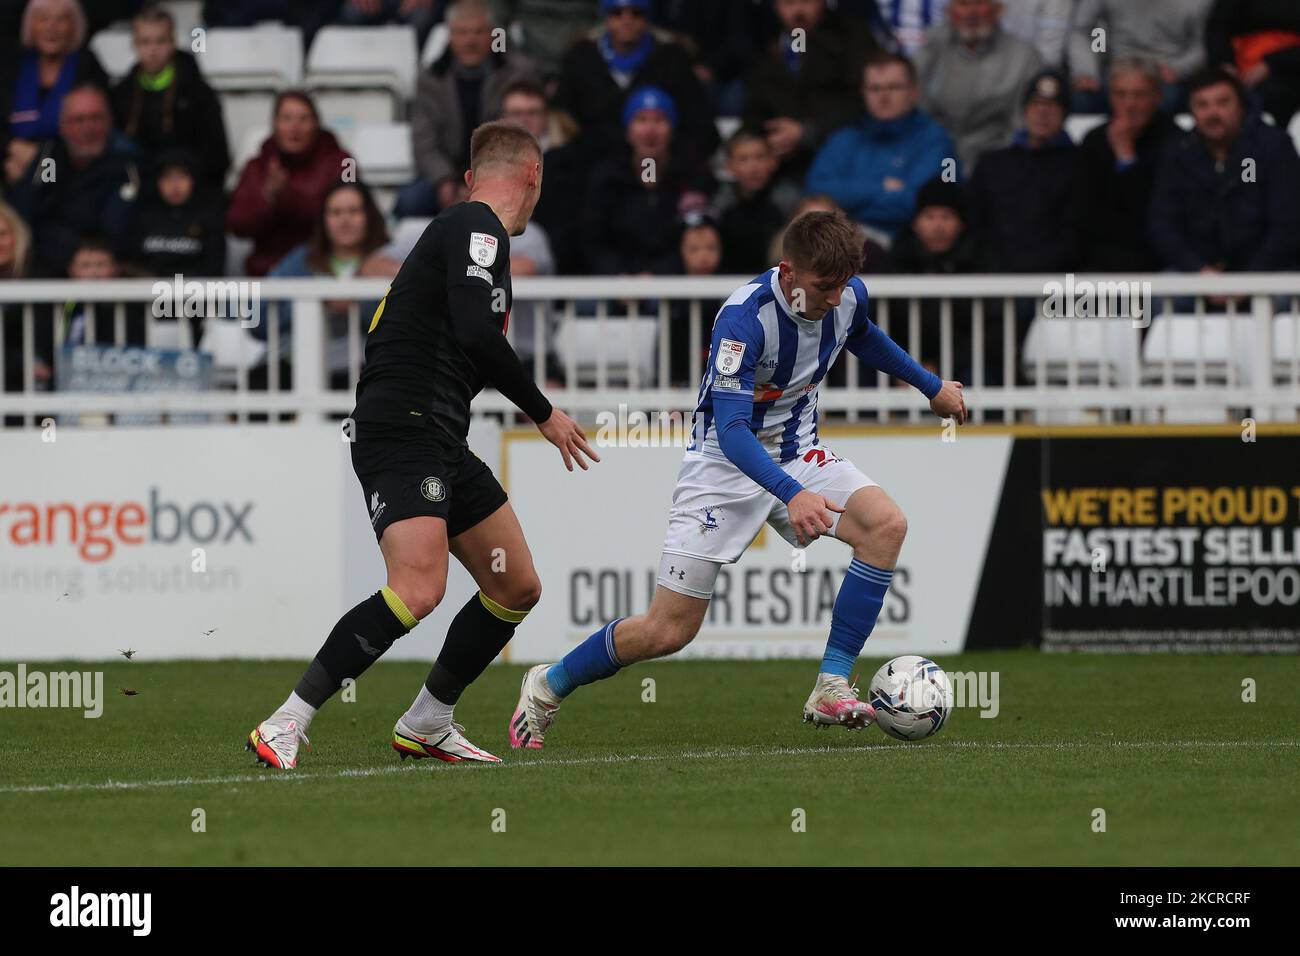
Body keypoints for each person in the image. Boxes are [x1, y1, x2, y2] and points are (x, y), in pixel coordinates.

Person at [507, 209, 967, 750]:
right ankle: (546, 685)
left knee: (886, 525)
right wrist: (792, 495)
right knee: (667, 631)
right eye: (823, 287)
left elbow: (860, 333)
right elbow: (730, 429)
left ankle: (831, 683)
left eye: (843, 286)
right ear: (788, 272)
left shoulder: (846, 296)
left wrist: (929, 385)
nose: (836, 298)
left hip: (798, 451)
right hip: (723, 467)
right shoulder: (742, 320)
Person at [246, 120, 598, 770]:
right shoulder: (477, 225)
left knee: (515, 584)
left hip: (436, 431)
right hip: (404, 425)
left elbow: (463, 338)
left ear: (469, 174)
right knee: (417, 589)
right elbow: (475, 332)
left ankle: (428, 721)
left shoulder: (467, 231)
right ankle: (286, 721)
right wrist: (545, 412)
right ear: (533, 176)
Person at [1149, 66, 1300, 275]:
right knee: (1160, 294)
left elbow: (1287, 226)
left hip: (1266, 272)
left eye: (1222, 103)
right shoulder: (1177, 152)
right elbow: (1162, 225)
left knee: (1287, 292)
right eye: (1202, 105)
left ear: (1241, 106)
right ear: (1191, 111)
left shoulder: (1274, 147)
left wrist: (1249, 278)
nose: (1212, 113)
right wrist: (1199, 269)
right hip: (1199, 273)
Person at [399, 0, 538, 217]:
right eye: (462, 32)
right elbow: (424, 143)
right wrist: (445, 181)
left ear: (492, 35)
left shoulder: (517, 73)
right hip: (447, 175)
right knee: (410, 201)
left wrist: (485, 181)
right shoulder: (430, 80)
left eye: (478, 32)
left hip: (504, 171)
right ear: (450, 36)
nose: (470, 40)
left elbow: (521, 135)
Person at [805, 52, 956, 243]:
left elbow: (919, 204)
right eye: (874, 89)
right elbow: (815, 192)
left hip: (909, 247)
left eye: (894, 87)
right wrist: (881, 187)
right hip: (842, 244)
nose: (883, 96)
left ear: (914, 92)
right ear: (863, 93)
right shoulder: (846, 138)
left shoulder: (934, 139)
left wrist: (848, 202)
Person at [552, 0, 718, 166]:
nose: (627, 20)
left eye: (636, 13)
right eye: (617, 13)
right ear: (606, 17)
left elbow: (701, 127)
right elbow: (562, 117)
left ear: (647, 18)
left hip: (658, 165)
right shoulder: (580, 57)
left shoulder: (673, 59)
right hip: (594, 164)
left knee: (649, 181)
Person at [5, 83, 141, 276]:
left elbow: (117, 227)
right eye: (78, 120)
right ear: (63, 125)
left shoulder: (127, 164)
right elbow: (29, 204)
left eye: (96, 118)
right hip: (51, 265)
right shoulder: (50, 158)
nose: (88, 128)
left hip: (106, 269)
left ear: (109, 121)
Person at [742, 0, 880, 185]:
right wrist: (765, 141)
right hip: (782, 165)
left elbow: (864, 102)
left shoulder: (852, 36)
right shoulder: (765, 39)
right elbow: (755, 104)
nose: (798, 11)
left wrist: (808, 132)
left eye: (806, 2)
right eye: (788, 4)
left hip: (841, 157)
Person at [580, 85, 713, 276]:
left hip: (675, 285)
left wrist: (657, 275)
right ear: (628, 130)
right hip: (614, 285)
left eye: (659, 120)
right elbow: (593, 239)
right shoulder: (606, 178)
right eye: (641, 120)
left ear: (672, 129)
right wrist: (618, 277)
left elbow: (698, 238)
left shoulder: (694, 176)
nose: (650, 130)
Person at [226, 91, 353, 276]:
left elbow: (347, 215)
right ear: (274, 124)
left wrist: (285, 197)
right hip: (266, 274)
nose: (295, 127)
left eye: (303, 119)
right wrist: (268, 200)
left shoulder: (344, 163)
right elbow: (236, 223)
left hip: (325, 271)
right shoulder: (256, 167)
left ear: (316, 123)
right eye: (286, 118)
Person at [1073, 57, 1178, 273]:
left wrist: (1126, 157)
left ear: (1157, 97)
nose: (1129, 105)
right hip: (1101, 261)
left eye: (1139, 95)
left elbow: (1156, 216)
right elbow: (1085, 214)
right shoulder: (1094, 141)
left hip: (1159, 262)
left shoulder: (1177, 142)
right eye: (1120, 94)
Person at [110, 3, 230, 190]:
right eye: (145, 42)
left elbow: (217, 157)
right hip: (140, 194)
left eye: (160, 41)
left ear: (172, 42)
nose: (153, 50)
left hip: (190, 191)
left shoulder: (199, 93)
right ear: (134, 44)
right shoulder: (121, 95)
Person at [914, 0, 1043, 172]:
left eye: (980, 2)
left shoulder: (1024, 58)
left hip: (998, 162)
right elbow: (918, 113)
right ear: (950, 12)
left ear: (998, 10)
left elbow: (1021, 127)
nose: (972, 12)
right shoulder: (929, 52)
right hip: (937, 158)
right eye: (964, 4)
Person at [1, 0, 106, 159]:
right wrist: (11, 147)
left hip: (66, 161)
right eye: (43, 19)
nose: (51, 28)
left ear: (74, 26)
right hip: (13, 158)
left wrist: (39, 159)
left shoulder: (87, 66)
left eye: (61, 20)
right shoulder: (13, 65)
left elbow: (94, 129)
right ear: (31, 25)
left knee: (46, 177)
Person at [1068, 0, 1213, 115]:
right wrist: (1086, 71)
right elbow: (1081, 30)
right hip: (1117, 69)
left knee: (1165, 100)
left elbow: (1205, 45)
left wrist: (1177, 69)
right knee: (1082, 99)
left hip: (1167, 73)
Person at [124, 147, 226, 279]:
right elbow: (132, 263)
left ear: (194, 179)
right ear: (157, 182)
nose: (175, 185)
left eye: (182, 176)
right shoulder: (142, 218)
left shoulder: (210, 218)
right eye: (167, 177)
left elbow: (214, 267)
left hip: (196, 294)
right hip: (148, 294)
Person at [1205, 0, 1300, 128]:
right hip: (1239, 67)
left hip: (1288, 71)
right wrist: (1226, 64)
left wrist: (1271, 64)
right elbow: (1217, 29)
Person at [715, 129, 797, 275]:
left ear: (773, 161)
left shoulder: (788, 200)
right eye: (743, 159)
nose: (753, 167)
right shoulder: (720, 204)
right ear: (729, 166)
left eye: (760, 157)